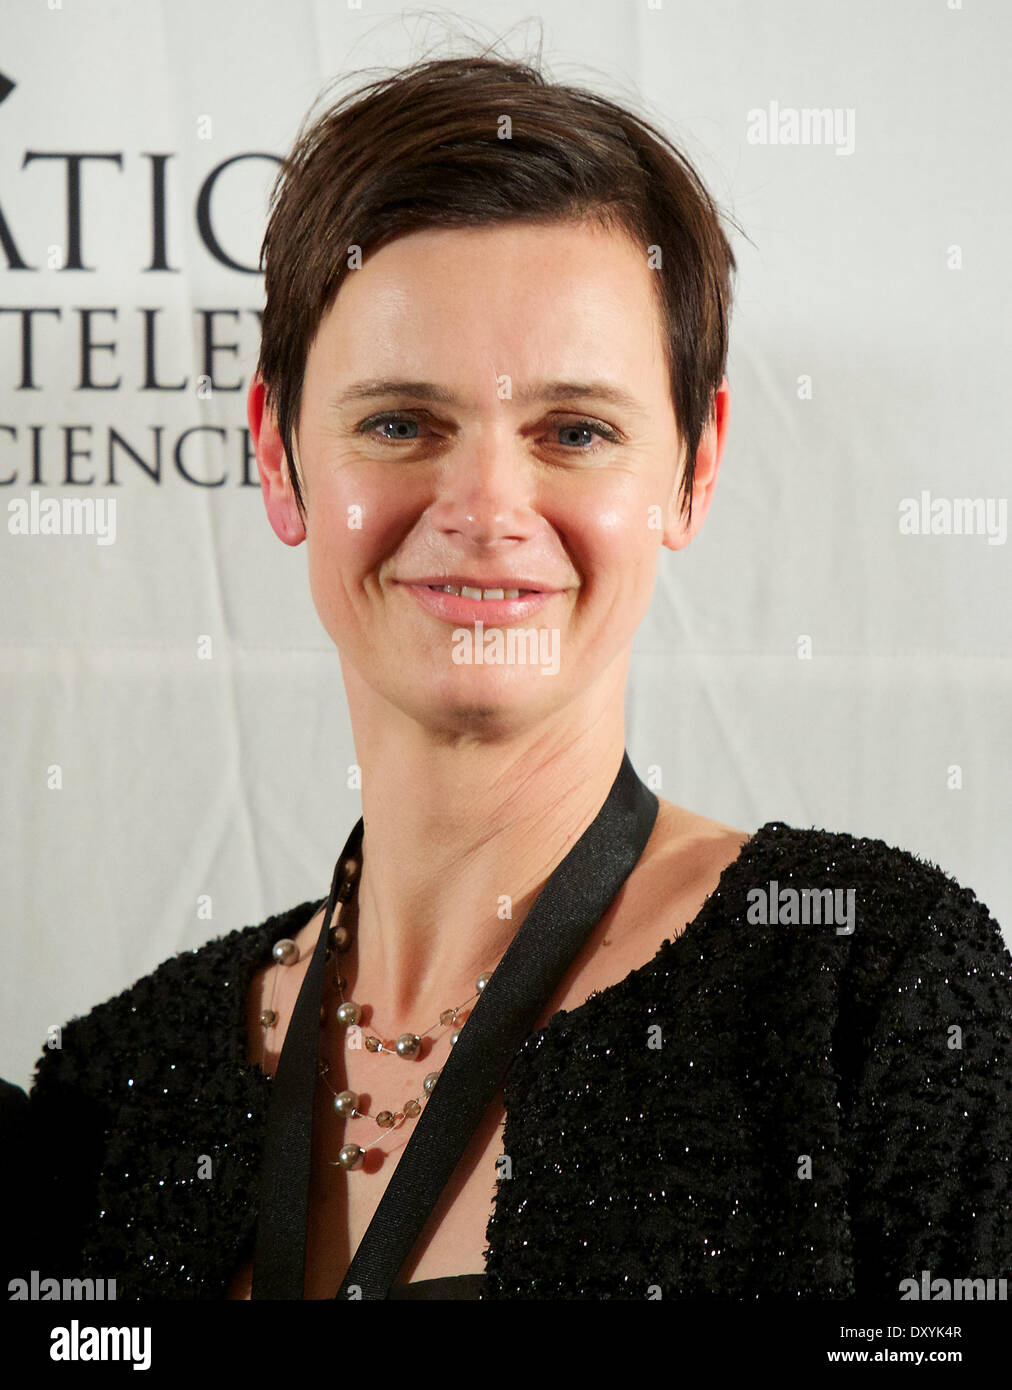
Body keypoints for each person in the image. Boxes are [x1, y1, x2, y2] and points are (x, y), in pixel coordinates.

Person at [11, 52, 1010, 1302]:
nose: (485, 508)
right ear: (277, 457)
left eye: (574, 431)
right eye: (399, 423)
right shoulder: (110, 1090)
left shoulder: (866, 983)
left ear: (695, 470)